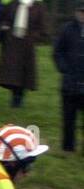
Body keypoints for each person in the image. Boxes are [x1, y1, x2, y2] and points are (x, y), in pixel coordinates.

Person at [0, 0, 47, 108]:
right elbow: (3, 20)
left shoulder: (38, 7)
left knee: (24, 73)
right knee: (12, 72)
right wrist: (5, 28)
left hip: (27, 46)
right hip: (12, 43)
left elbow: (42, 28)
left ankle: (18, 97)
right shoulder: (12, 5)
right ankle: (15, 95)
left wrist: (33, 37)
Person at [55, 2, 84, 152]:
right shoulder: (67, 29)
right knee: (68, 118)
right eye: (81, 12)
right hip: (70, 83)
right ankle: (67, 148)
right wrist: (64, 69)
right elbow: (58, 51)